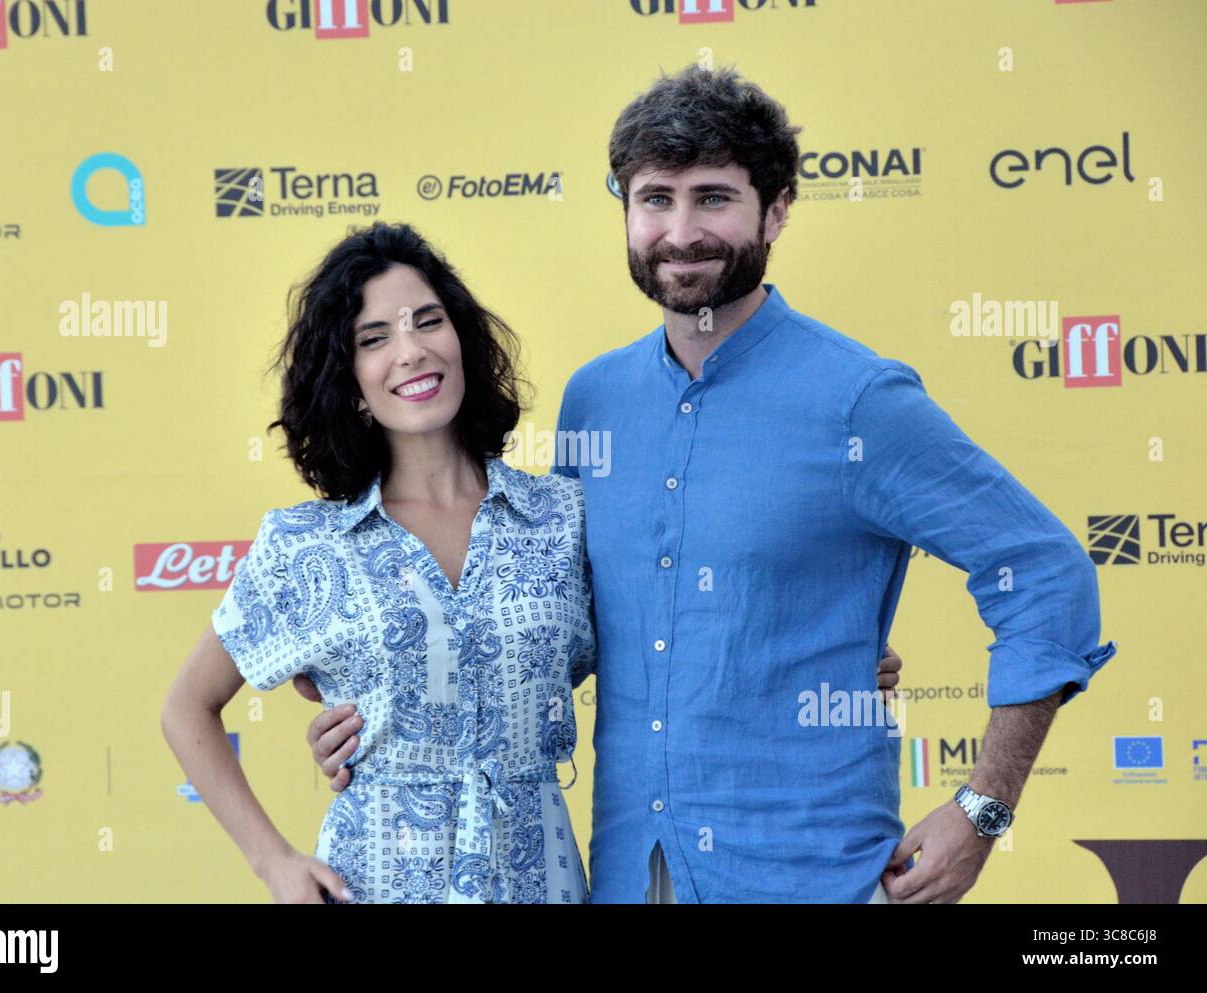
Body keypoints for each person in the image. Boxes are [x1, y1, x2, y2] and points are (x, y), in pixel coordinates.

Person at [303, 65, 1116, 904]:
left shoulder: (859, 401)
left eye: (713, 198)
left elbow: (1046, 573)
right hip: (630, 876)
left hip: (812, 878)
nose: (681, 231)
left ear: (778, 208)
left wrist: (981, 809)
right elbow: (552, 627)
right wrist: (381, 711)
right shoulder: (596, 399)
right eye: (656, 198)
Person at [161, 222, 597, 903]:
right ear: (352, 382)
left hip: (543, 882)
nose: (412, 350)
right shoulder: (307, 544)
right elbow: (186, 706)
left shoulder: (562, 518)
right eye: (375, 338)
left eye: (428, 322)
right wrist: (272, 861)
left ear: (462, 342)